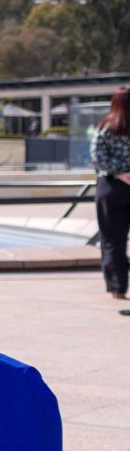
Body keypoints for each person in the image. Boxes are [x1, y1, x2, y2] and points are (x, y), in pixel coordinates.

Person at [94, 88, 130, 303]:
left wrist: (120, 173)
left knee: (112, 240)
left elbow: (96, 156)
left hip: (111, 187)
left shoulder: (107, 126)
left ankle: (118, 287)